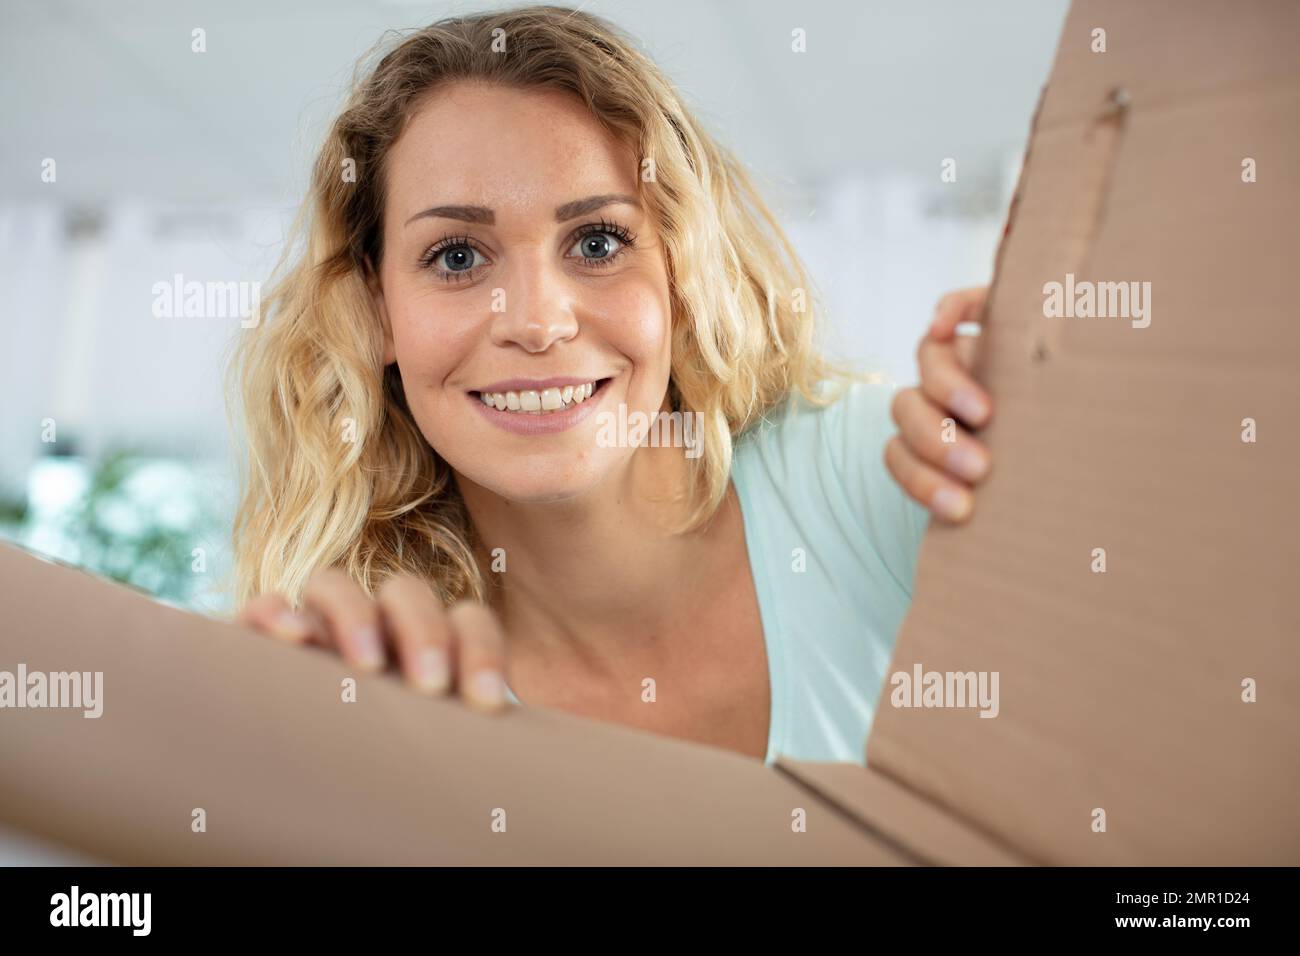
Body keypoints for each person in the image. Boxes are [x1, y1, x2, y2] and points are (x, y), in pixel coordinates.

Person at [230, 5, 994, 766]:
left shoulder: (871, 474)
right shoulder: (385, 686)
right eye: (457, 257)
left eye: (597, 242)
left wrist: (1059, 424)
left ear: (679, 269)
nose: (535, 322)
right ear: (377, 310)